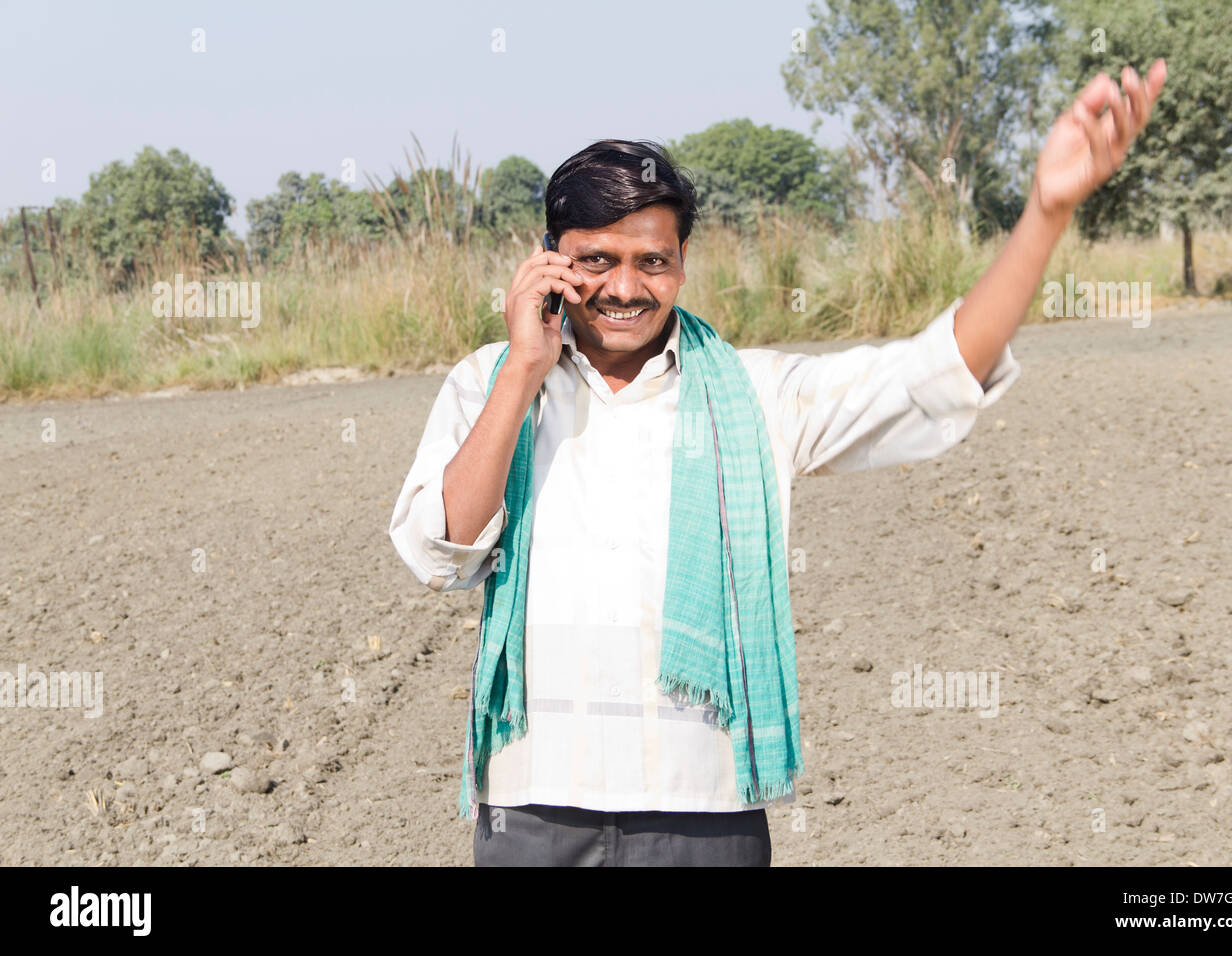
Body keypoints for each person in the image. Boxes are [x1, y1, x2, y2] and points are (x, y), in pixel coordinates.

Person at [389, 61, 1167, 866]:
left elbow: (936, 371)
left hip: (703, 811)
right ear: (549, 261)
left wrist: (1046, 209)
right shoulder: (490, 385)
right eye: (595, 261)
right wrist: (521, 370)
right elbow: (438, 550)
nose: (624, 287)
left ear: (683, 260)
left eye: (651, 262)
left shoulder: (757, 396)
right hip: (531, 805)